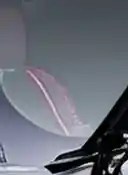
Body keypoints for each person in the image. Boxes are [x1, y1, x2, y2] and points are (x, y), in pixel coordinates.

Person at [0, 0, 89, 165]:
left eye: (14, 30)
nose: (13, 38)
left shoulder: (28, 81)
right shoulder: (24, 81)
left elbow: (75, 144)